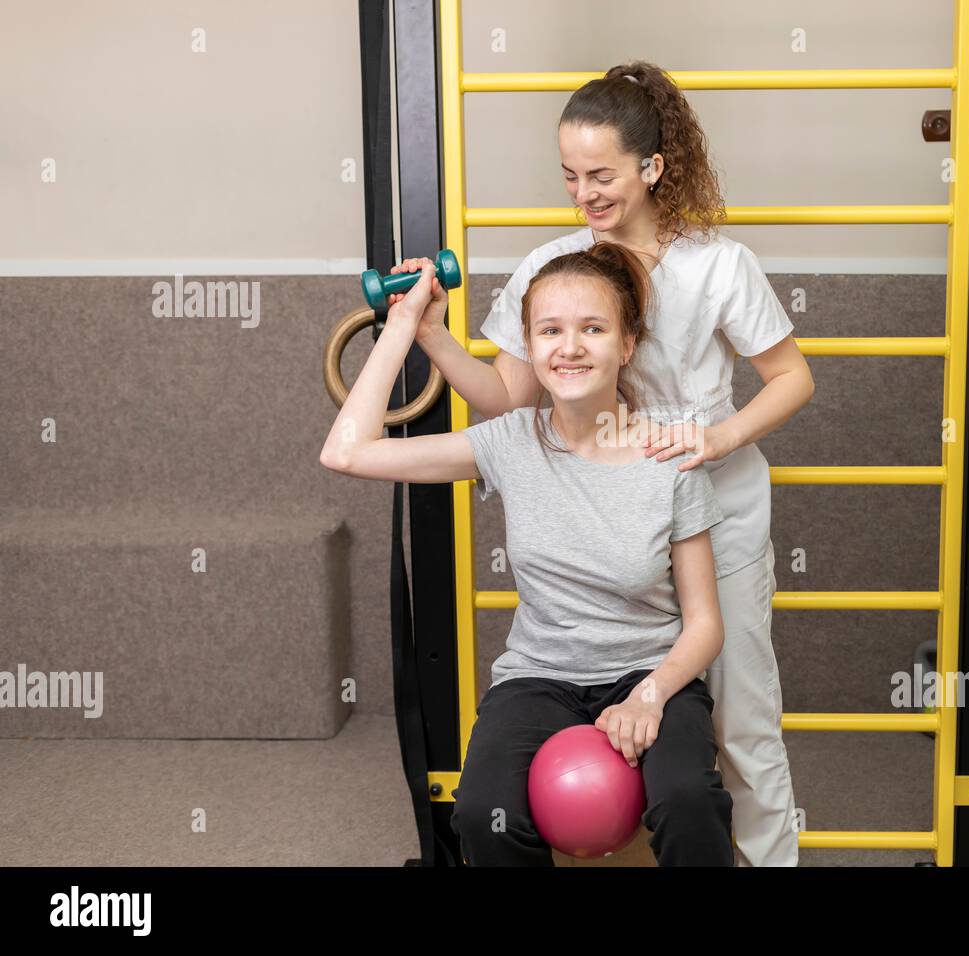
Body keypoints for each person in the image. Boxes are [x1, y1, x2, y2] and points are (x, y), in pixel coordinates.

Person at [402, 61, 813, 866]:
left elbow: (793, 377)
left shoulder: (718, 264)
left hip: (712, 510)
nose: (584, 193)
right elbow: (506, 394)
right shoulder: (555, 267)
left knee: (742, 724)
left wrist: (716, 440)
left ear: (652, 167)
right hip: (608, 525)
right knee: (646, 737)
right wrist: (431, 333)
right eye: (569, 176)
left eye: (602, 175)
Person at [319, 241, 735, 866]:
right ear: (531, 347)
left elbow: (705, 624)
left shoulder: (668, 458)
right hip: (540, 677)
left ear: (625, 346)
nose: (569, 347)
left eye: (592, 329)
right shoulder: (509, 442)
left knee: (687, 798)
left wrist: (650, 695)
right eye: (550, 331)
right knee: (482, 817)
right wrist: (406, 324)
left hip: (650, 672)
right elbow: (347, 452)